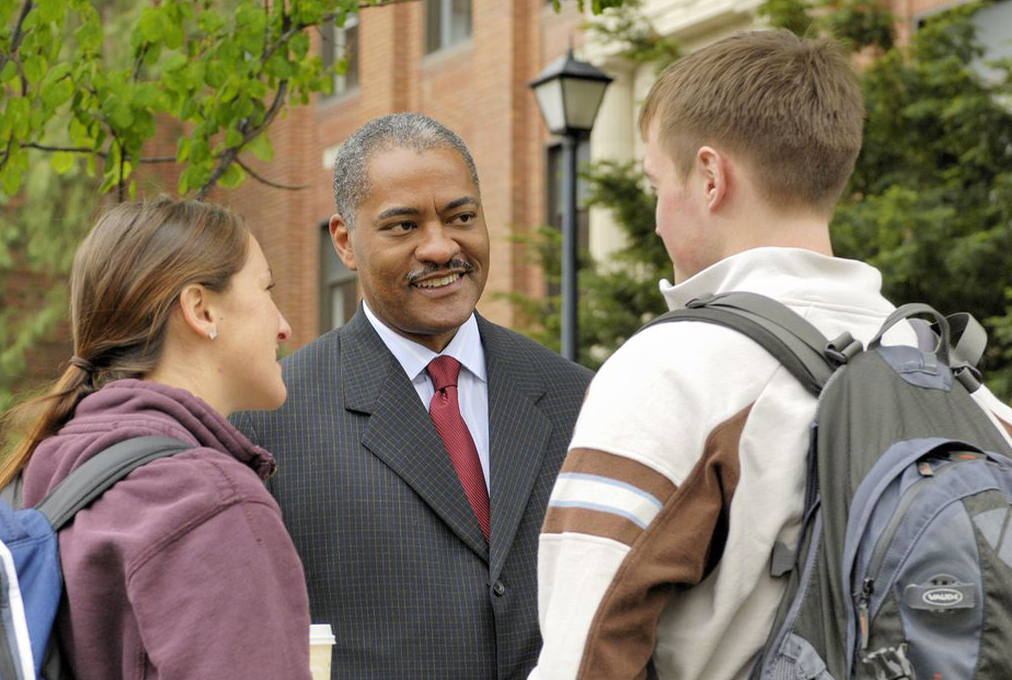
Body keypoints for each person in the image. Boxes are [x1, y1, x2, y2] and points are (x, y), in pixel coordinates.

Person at [528, 29, 1012, 680]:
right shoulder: (966, 391)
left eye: (654, 187)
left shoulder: (670, 370)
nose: (656, 221)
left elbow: (583, 656)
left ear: (708, 177)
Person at [232, 112, 593, 680]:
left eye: (462, 217)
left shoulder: (579, 397)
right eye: (403, 226)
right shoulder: (270, 422)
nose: (440, 247)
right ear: (345, 243)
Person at [1, 197, 312, 680]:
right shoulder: (207, 501)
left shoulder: (41, 472)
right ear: (201, 309)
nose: (284, 327)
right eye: (266, 288)